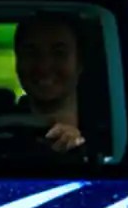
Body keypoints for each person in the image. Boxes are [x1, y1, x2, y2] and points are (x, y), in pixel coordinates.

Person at [12, 13, 86, 153]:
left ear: (79, 62)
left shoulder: (118, 133)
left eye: (59, 53)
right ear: (17, 61)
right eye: (31, 53)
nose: (43, 66)